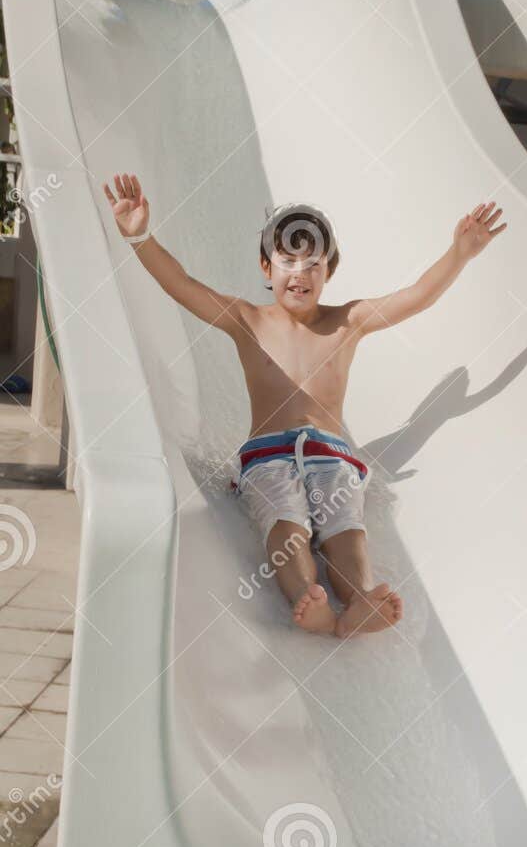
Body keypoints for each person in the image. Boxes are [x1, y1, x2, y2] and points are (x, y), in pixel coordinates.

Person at [104, 174, 506, 637]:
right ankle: (307, 599)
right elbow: (180, 284)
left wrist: (459, 253)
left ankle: (357, 600)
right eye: (288, 261)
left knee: (346, 527)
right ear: (266, 268)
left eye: (313, 262)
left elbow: (416, 297)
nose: (300, 272)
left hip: (332, 455)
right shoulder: (246, 320)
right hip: (268, 455)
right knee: (285, 523)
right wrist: (138, 234)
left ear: (329, 272)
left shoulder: (347, 321)